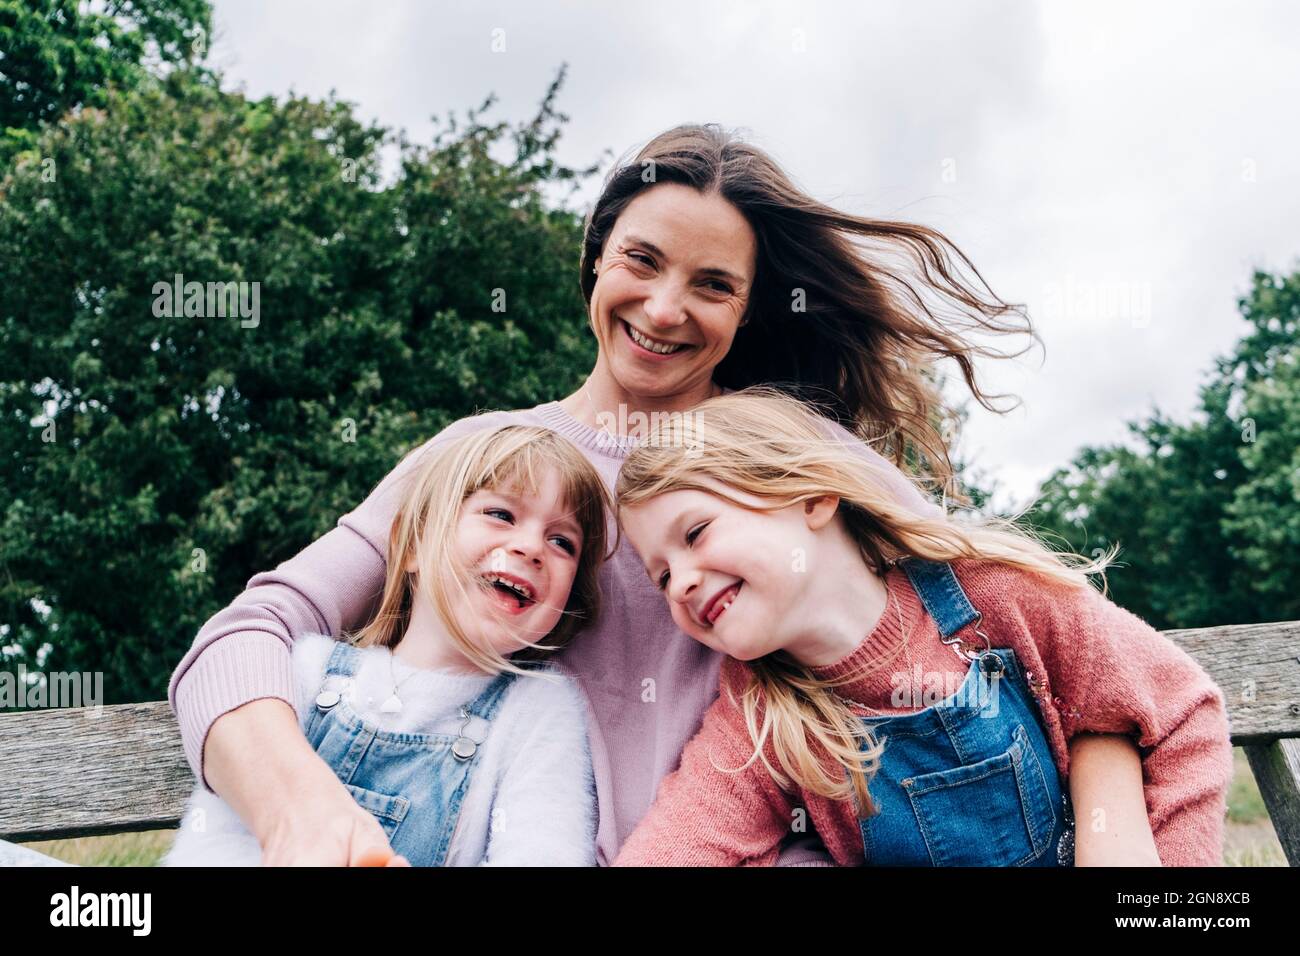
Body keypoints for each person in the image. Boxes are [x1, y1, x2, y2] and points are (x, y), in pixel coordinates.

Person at [165, 123, 1150, 866]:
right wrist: (293, 799)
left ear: (746, 309)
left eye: (712, 284)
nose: (665, 306)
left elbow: (1040, 640)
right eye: (641, 259)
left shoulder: (787, 455)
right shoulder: (485, 465)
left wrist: (1118, 841)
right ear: (597, 252)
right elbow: (252, 629)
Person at [611, 388, 1235, 866]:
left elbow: (1180, 712)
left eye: (695, 534)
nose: (683, 582)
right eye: (661, 576)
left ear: (810, 497)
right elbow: (678, 844)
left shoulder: (992, 595)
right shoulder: (761, 713)